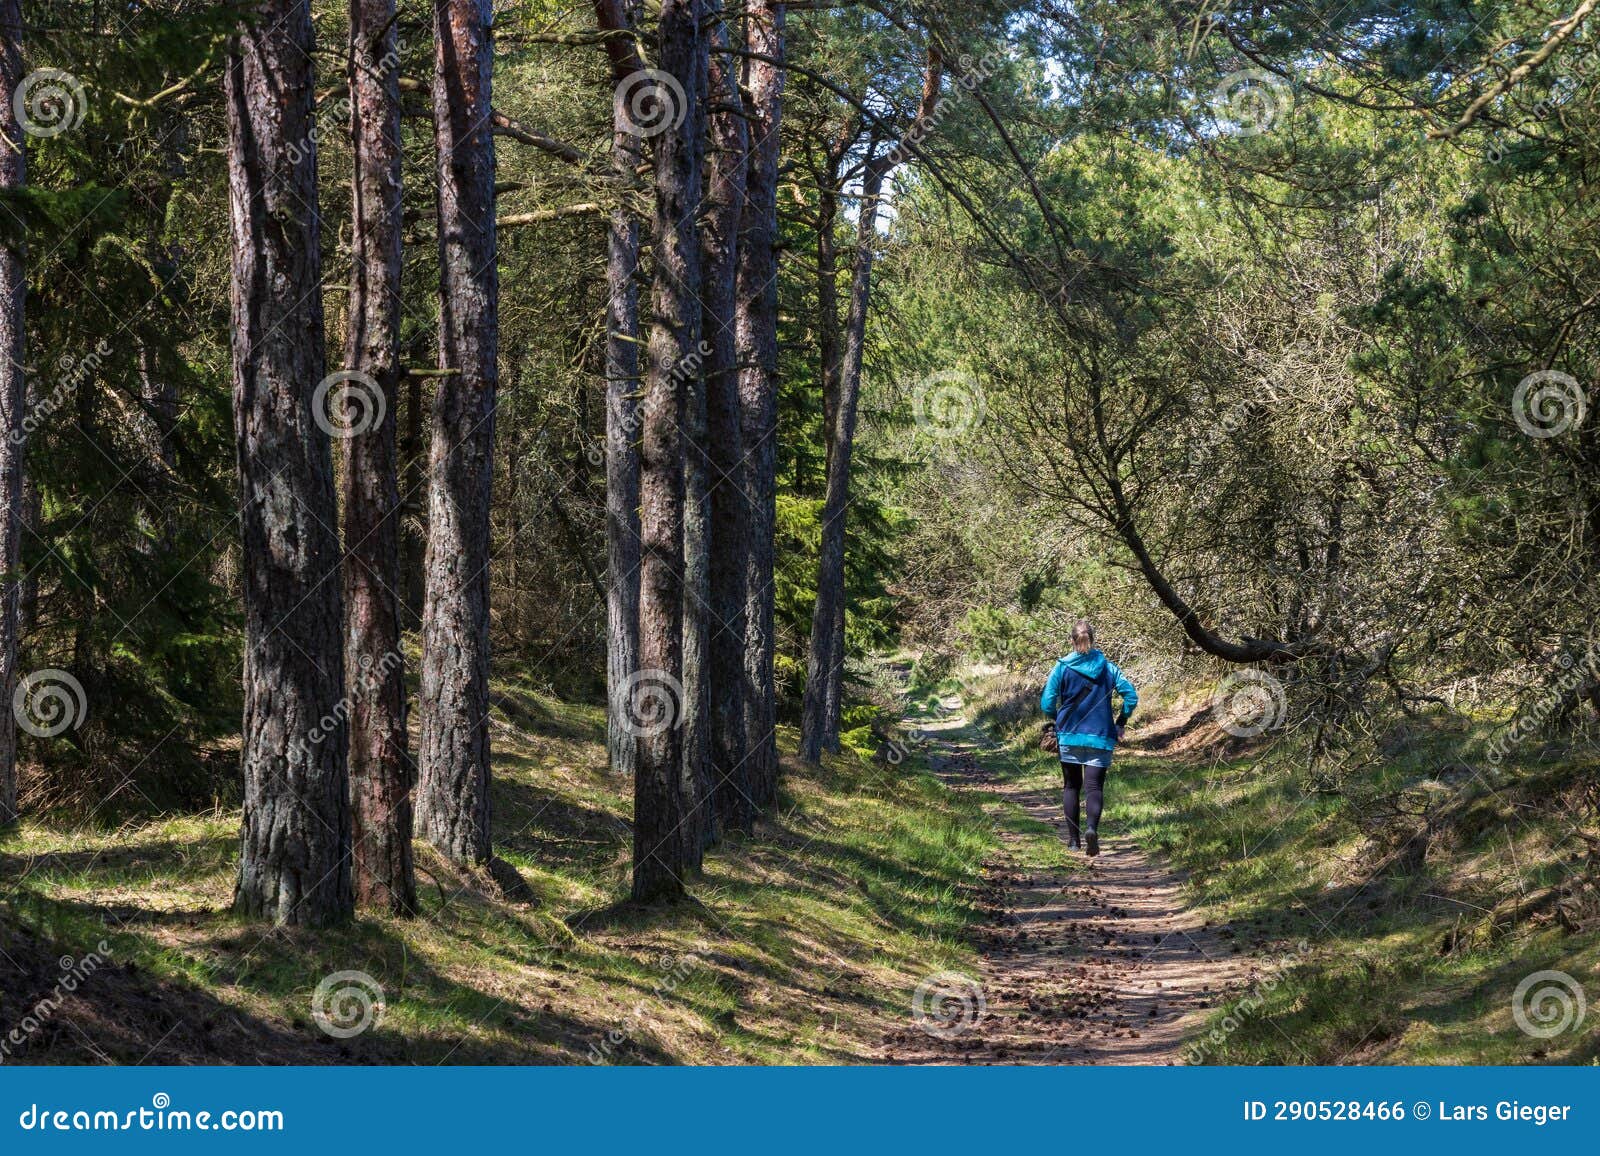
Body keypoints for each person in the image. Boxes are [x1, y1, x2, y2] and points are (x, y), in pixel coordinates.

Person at [1039, 618, 1138, 856]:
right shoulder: (1109, 668)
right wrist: (1120, 723)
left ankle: (1074, 841)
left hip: (1069, 736)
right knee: (1094, 788)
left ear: (1072, 641)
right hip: (1101, 737)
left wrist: (1058, 718)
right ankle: (1092, 829)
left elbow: (1046, 703)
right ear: (1093, 640)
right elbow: (1131, 697)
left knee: (1071, 786)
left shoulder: (1061, 667)